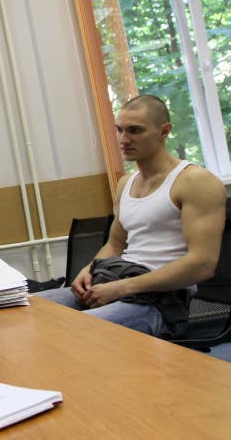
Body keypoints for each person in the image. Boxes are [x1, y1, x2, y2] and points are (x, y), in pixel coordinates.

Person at [37, 95, 226, 338]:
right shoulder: (125, 183)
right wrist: (89, 269)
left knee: (73, 334)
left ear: (164, 131)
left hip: (161, 301)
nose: (124, 139)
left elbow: (202, 264)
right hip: (120, 280)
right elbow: (115, 244)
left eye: (135, 131)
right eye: (120, 130)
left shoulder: (195, 181)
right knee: (29, 313)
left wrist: (121, 288)